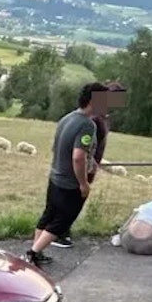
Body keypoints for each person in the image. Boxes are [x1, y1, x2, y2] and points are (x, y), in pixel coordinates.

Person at [27, 82, 109, 267]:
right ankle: (33, 253)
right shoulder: (87, 125)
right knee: (62, 221)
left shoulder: (67, 118)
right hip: (70, 183)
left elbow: (60, 147)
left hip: (55, 176)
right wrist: (83, 183)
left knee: (49, 215)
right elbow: (78, 157)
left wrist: (91, 162)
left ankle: (36, 252)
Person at [53, 80, 125, 248]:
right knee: (72, 199)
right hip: (84, 166)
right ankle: (59, 232)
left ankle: (59, 230)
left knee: (74, 199)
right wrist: (89, 165)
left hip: (90, 165)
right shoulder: (94, 119)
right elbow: (83, 147)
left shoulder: (103, 117)